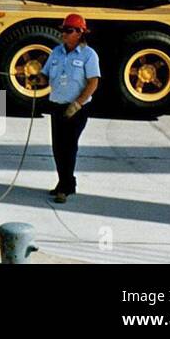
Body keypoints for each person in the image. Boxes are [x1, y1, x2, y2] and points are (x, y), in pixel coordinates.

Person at [40, 14, 100, 204]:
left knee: (68, 147)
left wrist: (77, 104)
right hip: (57, 106)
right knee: (58, 148)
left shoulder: (89, 55)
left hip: (76, 109)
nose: (64, 34)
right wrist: (37, 79)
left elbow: (93, 83)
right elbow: (45, 75)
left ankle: (65, 188)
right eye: (63, 30)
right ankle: (65, 182)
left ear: (80, 33)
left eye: (68, 31)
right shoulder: (56, 52)